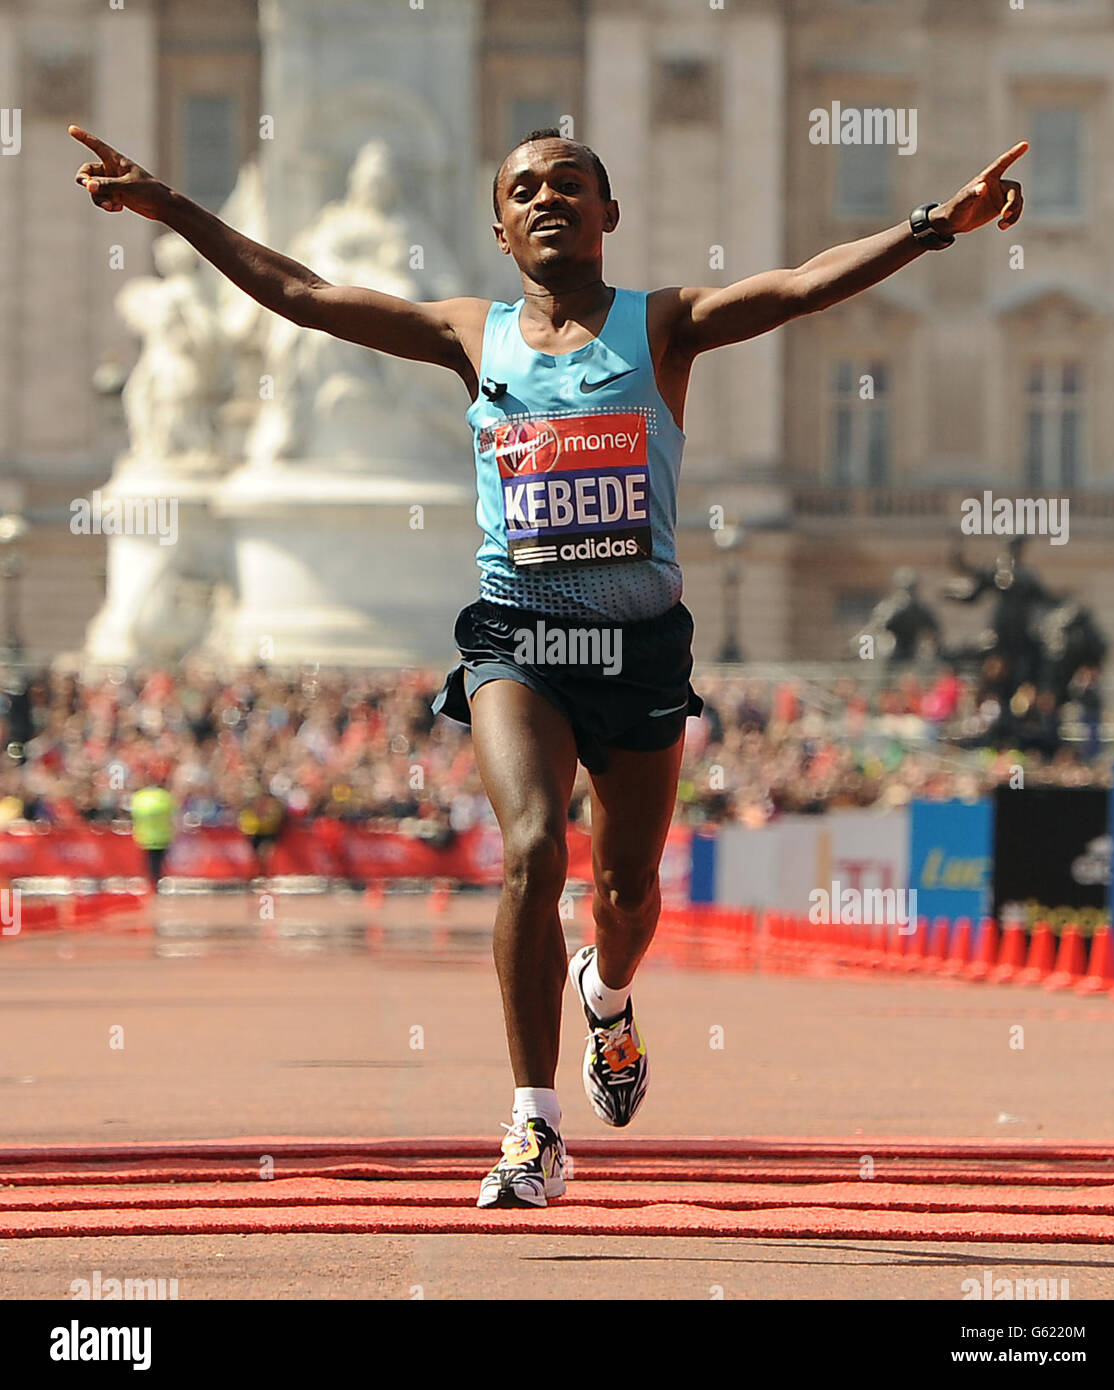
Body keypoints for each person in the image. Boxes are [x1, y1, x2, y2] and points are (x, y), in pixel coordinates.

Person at [70, 120, 1027, 1208]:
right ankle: (533, 1127)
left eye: (569, 184)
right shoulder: (468, 334)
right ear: (496, 223)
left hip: (636, 649)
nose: (546, 198)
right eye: (523, 187)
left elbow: (803, 285)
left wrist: (931, 225)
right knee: (530, 848)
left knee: (623, 894)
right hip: (516, 639)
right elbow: (301, 292)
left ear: (607, 215)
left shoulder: (665, 326)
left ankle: (606, 997)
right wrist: (171, 209)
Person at [130, 774, 176, 889]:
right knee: (158, 863)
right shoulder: (165, 797)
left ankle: (149, 883)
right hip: (162, 836)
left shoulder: (139, 797)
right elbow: (172, 813)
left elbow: (134, 814)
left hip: (144, 836)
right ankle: (155, 882)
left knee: (147, 863)